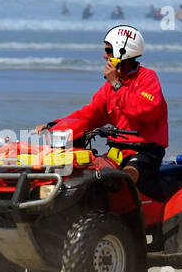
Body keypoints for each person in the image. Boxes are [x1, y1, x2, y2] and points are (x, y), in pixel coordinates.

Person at [43, 25, 168, 187]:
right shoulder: (108, 88)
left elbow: (147, 110)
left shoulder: (147, 78)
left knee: (124, 179)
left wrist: (116, 84)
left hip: (145, 153)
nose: (104, 55)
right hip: (116, 152)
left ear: (123, 52)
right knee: (88, 175)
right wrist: (55, 125)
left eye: (109, 51)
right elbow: (88, 115)